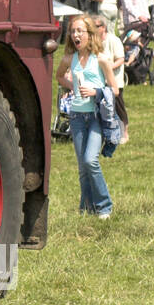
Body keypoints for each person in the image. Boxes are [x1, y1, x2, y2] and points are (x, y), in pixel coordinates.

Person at [56, 15, 122, 218]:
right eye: (73, 31)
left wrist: (95, 92)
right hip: (76, 116)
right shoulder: (69, 58)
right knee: (82, 167)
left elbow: (115, 89)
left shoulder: (101, 59)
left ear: (90, 34)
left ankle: (104, 206)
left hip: (95, 116)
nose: (75, 35)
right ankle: (86, 208)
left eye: (79, 31)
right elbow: (58, 76)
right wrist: (72, 87)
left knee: (90, 160)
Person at [91, 14, 128, 143]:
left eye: (97, 26)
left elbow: (121, 59)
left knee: (118, 108)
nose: (94, 29)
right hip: (100, 82)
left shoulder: (113, 40)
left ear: (104, 27)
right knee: (104, 109)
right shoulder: (93, 42)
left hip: (115, 81)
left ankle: (124, 133)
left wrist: (109, 67)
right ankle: (106, 134)